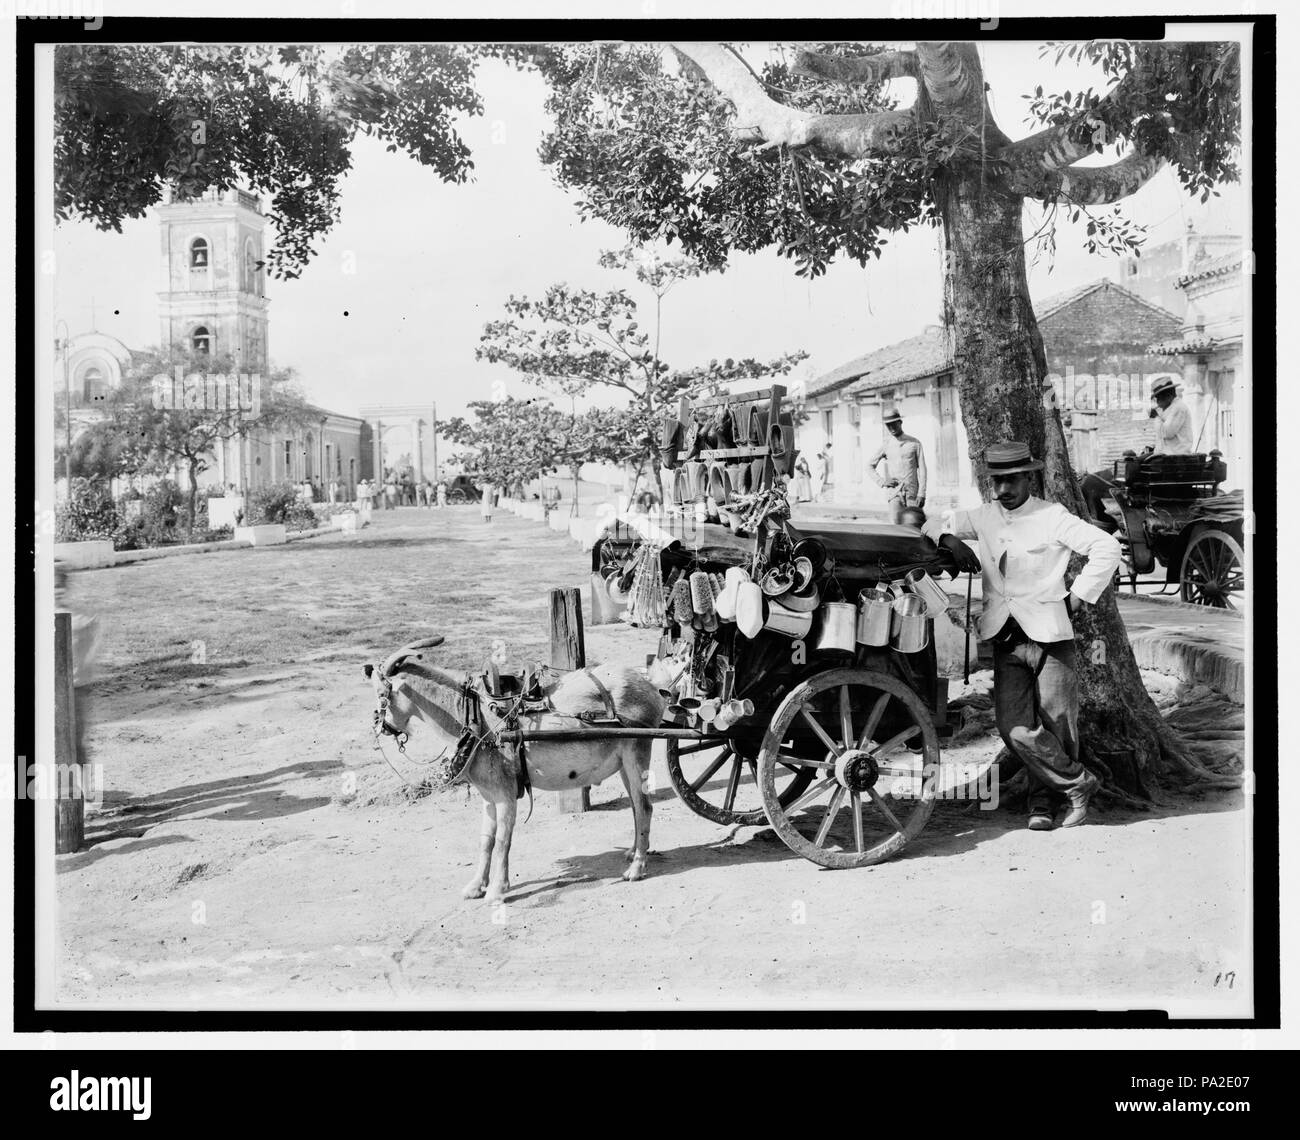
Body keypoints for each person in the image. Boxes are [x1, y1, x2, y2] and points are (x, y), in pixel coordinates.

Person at [923, 441, 1122, 831]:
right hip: (1006, 637)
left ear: (1029, 477)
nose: (1003, 490)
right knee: (1013, 726)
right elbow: (930, 523)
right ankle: (1080, 783)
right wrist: (949, 539)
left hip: (1051, 635)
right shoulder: (982, 516)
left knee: (1058, 725)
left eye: (1011, 480)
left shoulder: (1052, 516)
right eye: (997, 481)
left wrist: (1079, 597)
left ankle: (1043, 805)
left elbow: (1106, 546)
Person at [867, 410, 928, 523]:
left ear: (900, 422)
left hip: (912, 495)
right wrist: (882, 481)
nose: (891, 427)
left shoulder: (914, 443)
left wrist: (922, 494)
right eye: (888, 425)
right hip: (894, 495)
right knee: (896, 527)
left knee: (914, 527)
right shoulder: (887, 444)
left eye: (894, 423)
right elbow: (869, 466)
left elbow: (923, 470)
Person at [1148, 377, 1194, 455]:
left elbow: (1167, 433)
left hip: (1175, 457)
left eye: (1158, 398)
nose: (1157, 402)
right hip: (1167, 455)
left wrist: (1156, 417)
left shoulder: (1178, 408)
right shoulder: (1170, 408)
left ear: (1168, 395)